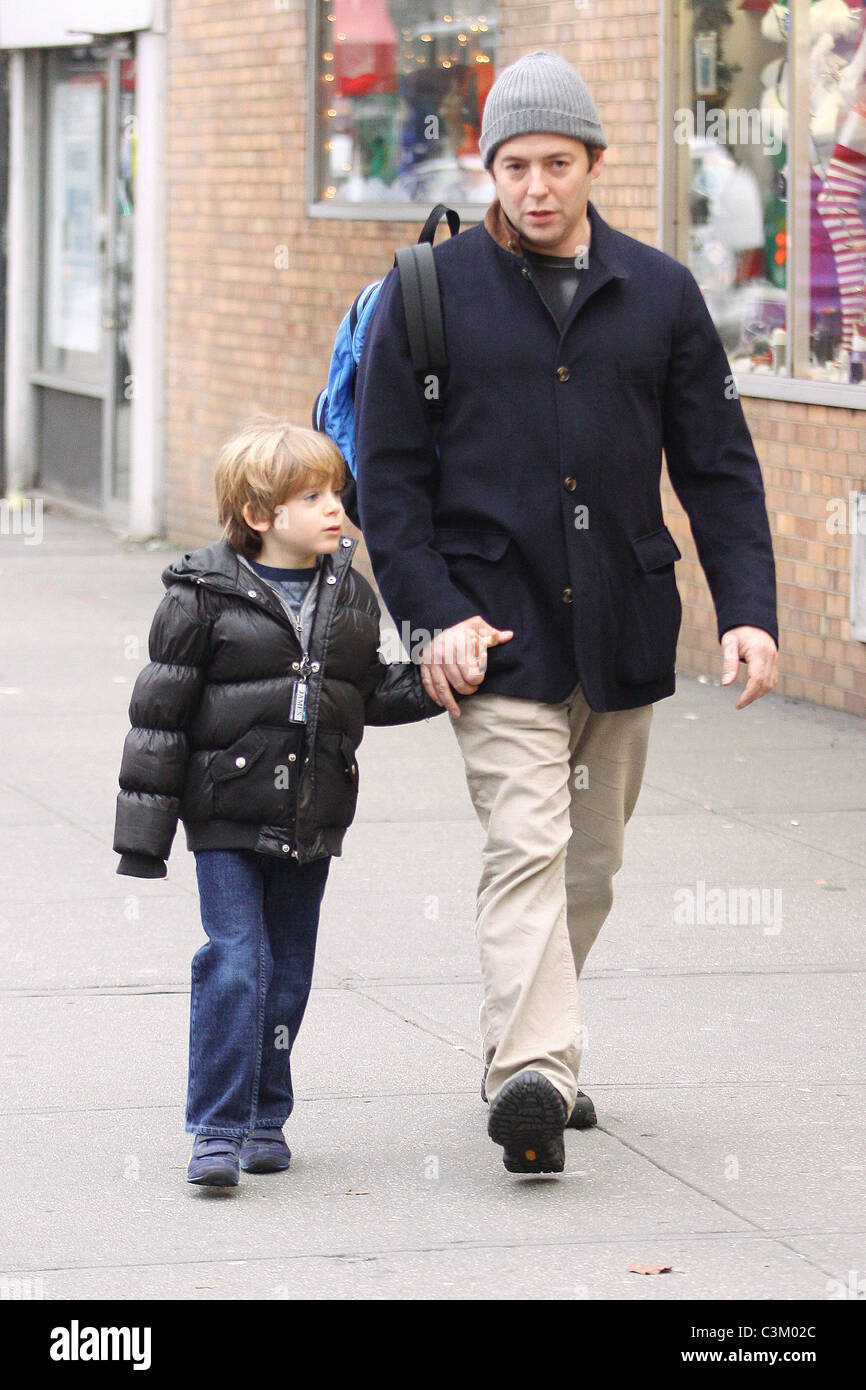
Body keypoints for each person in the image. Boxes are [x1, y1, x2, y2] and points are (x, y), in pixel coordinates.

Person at [354, 50, 779, 1176]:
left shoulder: (661, 293)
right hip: (490, 632)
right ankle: (535, 1074)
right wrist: (428, 617)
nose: (533, 186)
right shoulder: (426, 292)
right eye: (512, 165)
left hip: (625, 626)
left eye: (555, 162)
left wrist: (748, 609)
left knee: (586, 868)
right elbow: (386, 484)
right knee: (524, 848)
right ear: (486, 167)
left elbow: (718, 467)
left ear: (593, 161)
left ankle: (523, 1051)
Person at [113, 419, 470, 1188]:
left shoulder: (348, 595)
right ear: (259, 515)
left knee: (290, 971)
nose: (335, 508)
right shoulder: (201, 596)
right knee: (237, 961)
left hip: (313, 813)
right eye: (312, 496)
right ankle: (215, 1128)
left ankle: (266, 1115)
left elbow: (367, 692)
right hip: (225, 813)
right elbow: (159, 716)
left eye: (336, 491)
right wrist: (143, 838)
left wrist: (447, 682)